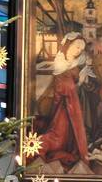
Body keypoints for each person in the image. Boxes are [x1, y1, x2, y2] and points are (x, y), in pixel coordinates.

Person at [36, 35, 90, 169]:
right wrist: (78, 82)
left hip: (76, 103)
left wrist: (82, 81)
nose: (78, 50)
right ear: (68, 46)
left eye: (81, 49)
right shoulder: (60, 63)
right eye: (76, 47)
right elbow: (62, 87)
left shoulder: (78, 63)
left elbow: (77, 85)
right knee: (58, 135)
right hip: (63, 106)